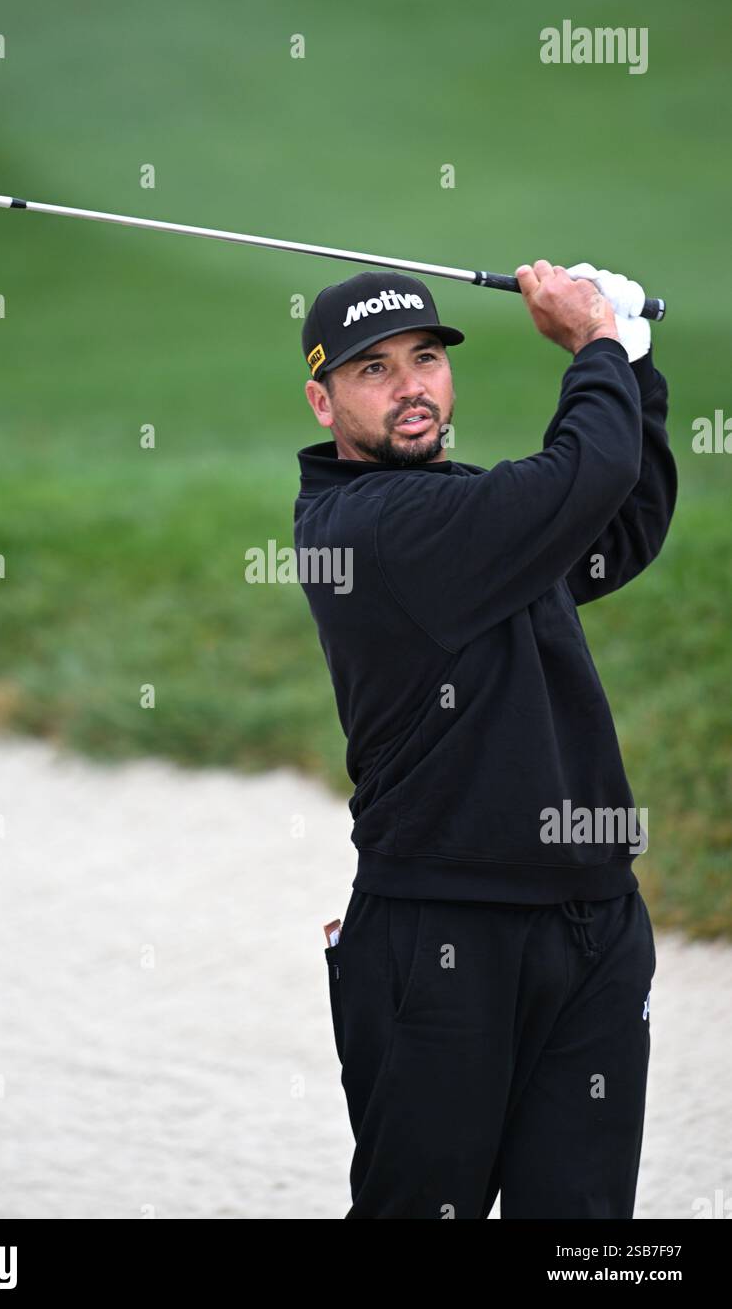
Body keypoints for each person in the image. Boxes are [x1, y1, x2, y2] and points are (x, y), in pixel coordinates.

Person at [293, 259, 676, 1218]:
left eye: (425, 358)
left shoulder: (464, 512)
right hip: (442, 930)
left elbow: (614, 523)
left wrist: (634, 359)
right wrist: (593, 347)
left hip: (591, 918)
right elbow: (581, 475)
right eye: (373, 369)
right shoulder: (367, 528)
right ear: (322, 400)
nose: (411, 384)